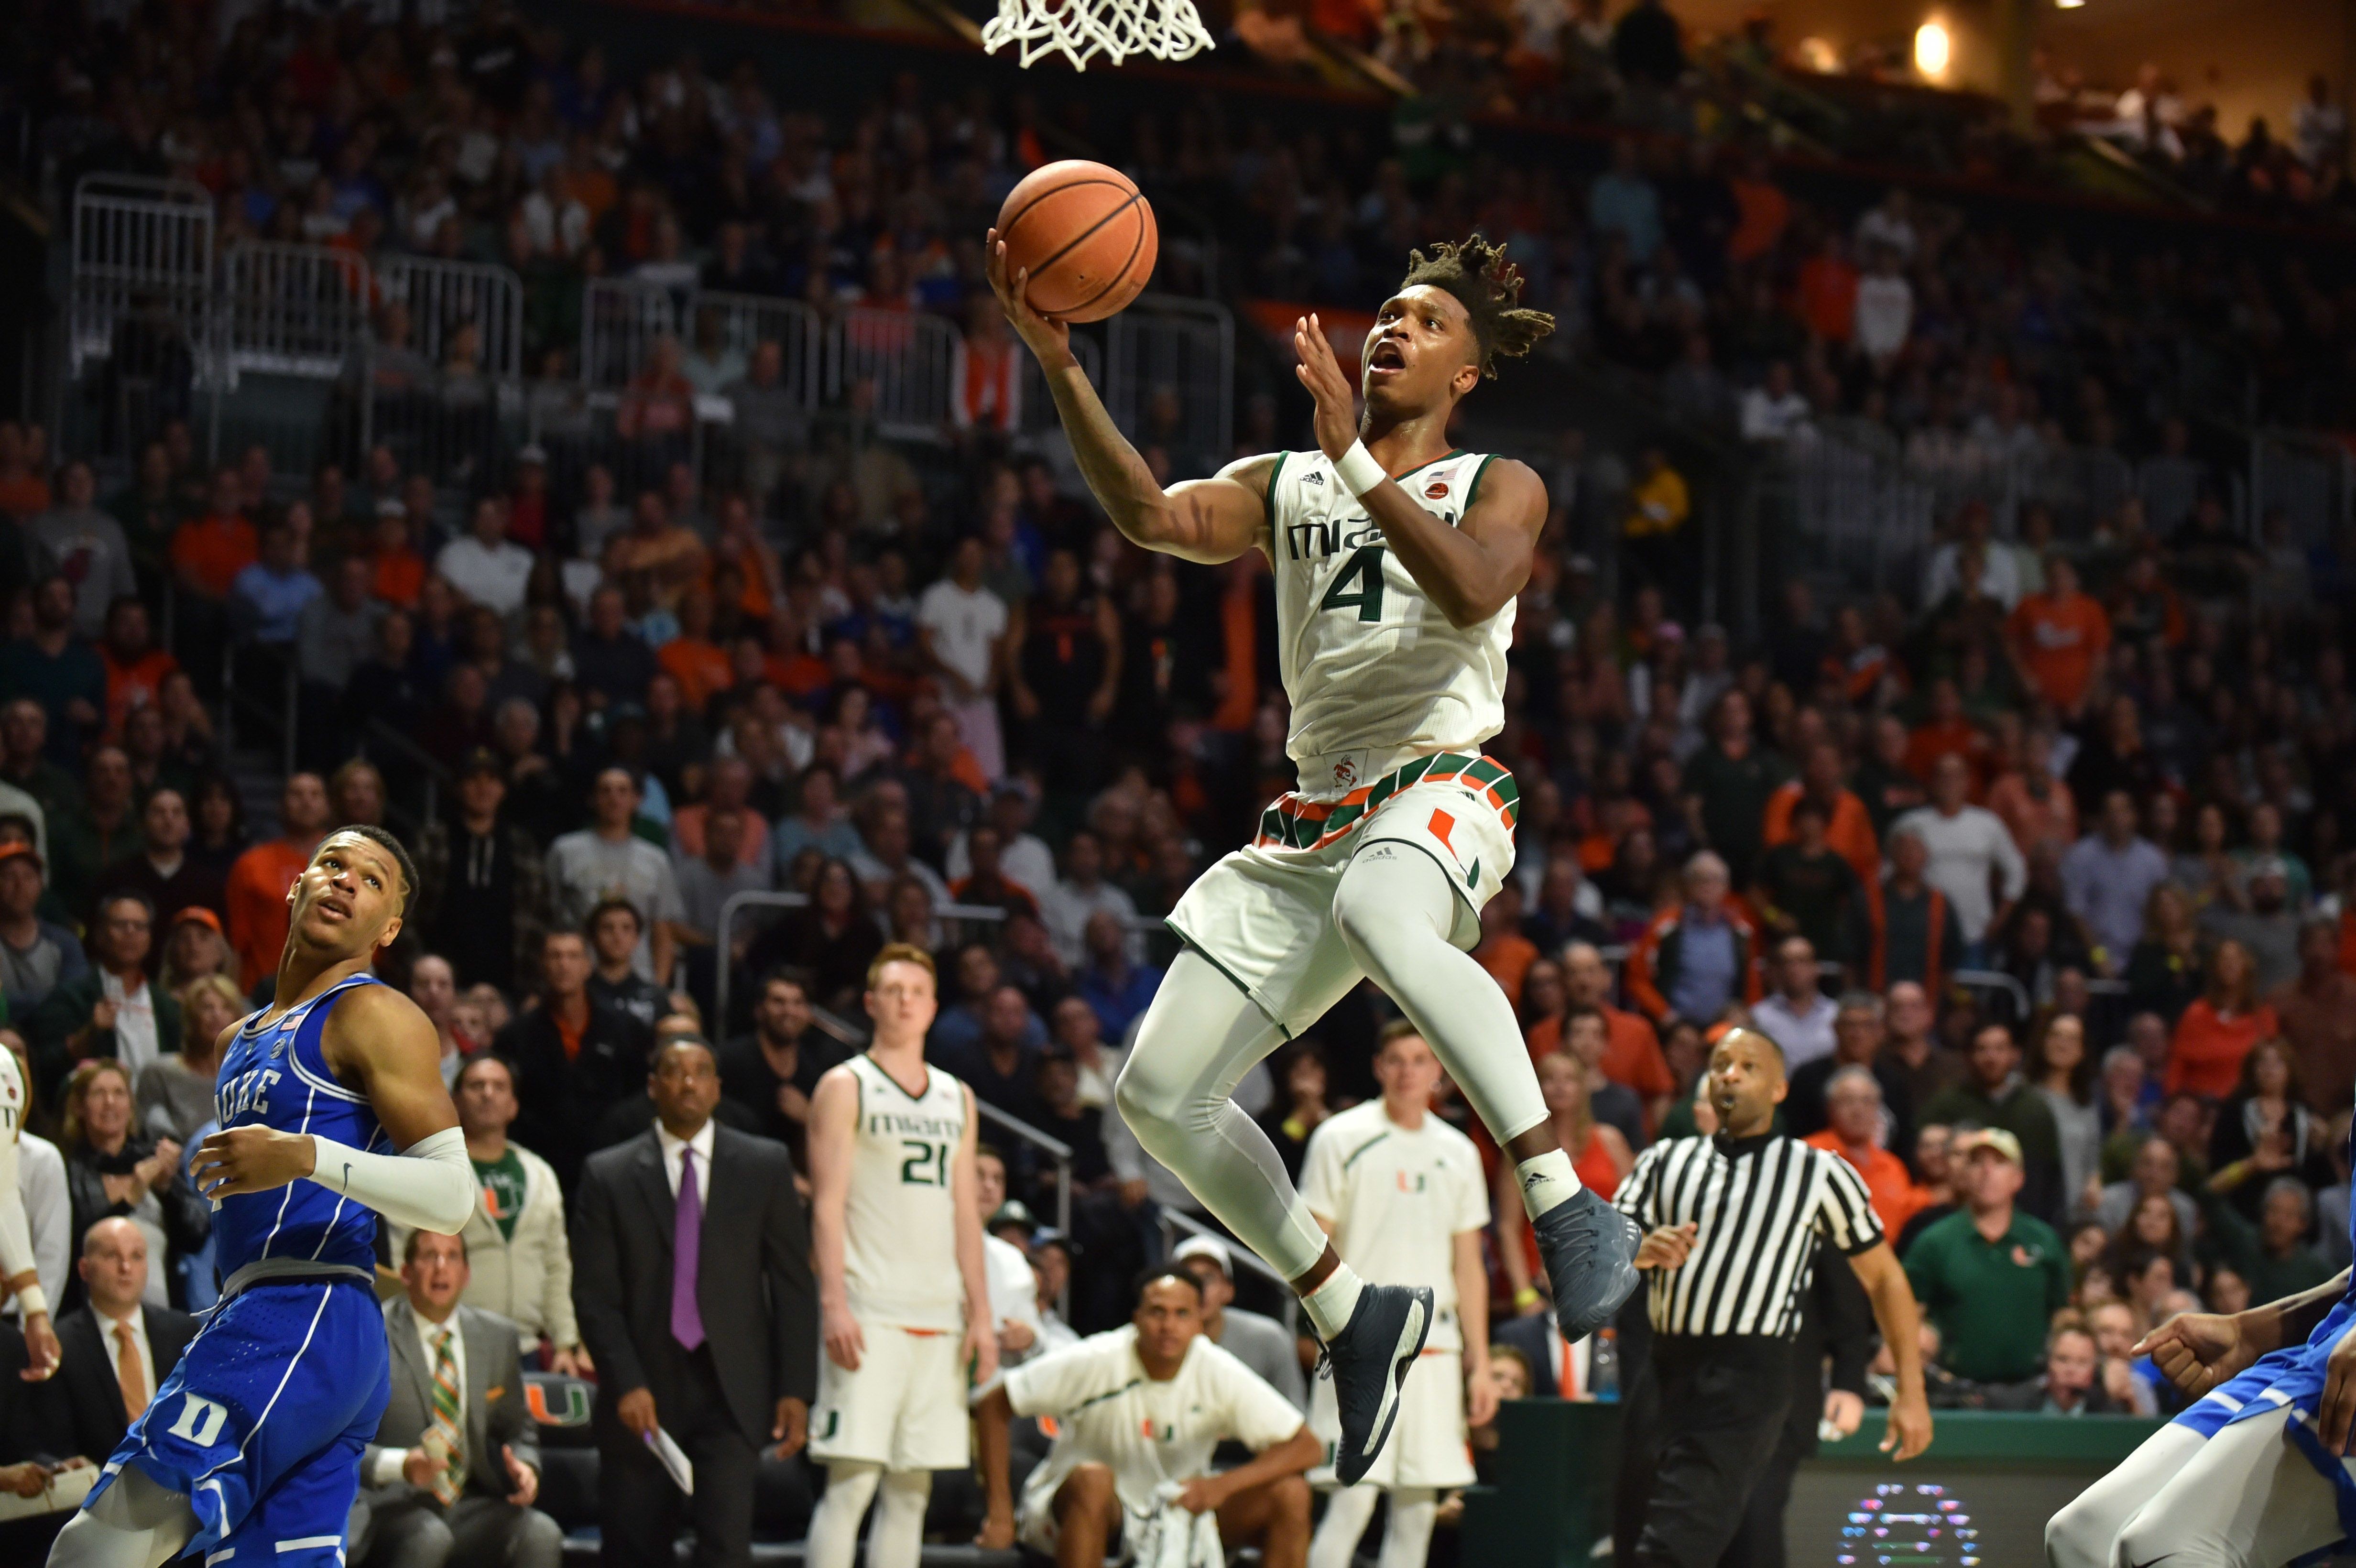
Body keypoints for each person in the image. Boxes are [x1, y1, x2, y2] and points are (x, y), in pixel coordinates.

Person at [994, 228, 1636, 1483]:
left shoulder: (1500, 482)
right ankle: (1353, 1313)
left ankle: (1564, 1198)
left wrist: (1351, 450)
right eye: (1386, 312)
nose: (1391, 329)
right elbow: (1151, 515)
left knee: (1387, 922)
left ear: (1468, 372)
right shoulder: (1289, 480)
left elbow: (1468, 594)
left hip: (1445, 783)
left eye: (1425, 322)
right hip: (1316, 817)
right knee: (1157, 1095)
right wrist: (1062, 368)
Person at [48, 821, 476, 1568]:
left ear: (390, 928)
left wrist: (304, 1155)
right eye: (332, 864)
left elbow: (451, 1197)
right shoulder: (236, 1040)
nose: (346, 880)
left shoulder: (374, 1013)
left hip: (305, 1315)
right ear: (294, 886)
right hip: (265, 1311)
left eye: (372, 880)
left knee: (94, 1552)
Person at [1610, 1028, 1930, 1568]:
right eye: (1719, 1064)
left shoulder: (1818, 1171)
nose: (1729, 1073)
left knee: (1673, 1548)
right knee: (1631, 1537)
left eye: (1747, 1065)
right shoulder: (1663, 1159)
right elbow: (1600, 1249)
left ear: (1780, 1088)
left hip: (1748, 1374)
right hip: (1661, 1368)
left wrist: (1911, 1391)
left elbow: (1884, 1281)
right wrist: (1637, 1247)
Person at [569, 1038, 814, 1568]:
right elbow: (593, 1296)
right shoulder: (607, 1174)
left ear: (718, 1088)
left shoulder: (763, 1163)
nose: (688, 1082)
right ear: (652, 1086)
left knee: (726, 1551)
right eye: (674, 1072)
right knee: (634, 1549)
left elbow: (793, 1284)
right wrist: (626, 1381)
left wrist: (796, 1387)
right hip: (642, 1390)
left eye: (701, 1071)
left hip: (732, 1389)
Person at [801, 946, 996, 1568]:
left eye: (918, 990)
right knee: (852, 1483)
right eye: (893, 989)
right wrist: (834, 1303)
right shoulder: (844, 1085)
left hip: (940, 1313)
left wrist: (983, 1316)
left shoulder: (957, 1097)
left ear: (934, 1008)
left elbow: (966, 1213)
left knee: (914, 1490)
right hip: (869, 1308)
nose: (906, 999)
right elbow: (825, 1207)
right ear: (870, 1003)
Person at [1302, 1023, 1492, 1568]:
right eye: (1396, 1059)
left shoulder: (1458, 1152)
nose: (1408, 1071)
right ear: (1378, 1066)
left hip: (1436, 1350)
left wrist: (1478, 1365)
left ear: (1438, 1072)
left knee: (1416, 1515)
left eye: (1419, 1059)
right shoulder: (1339, 1136)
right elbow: (1313, 1246)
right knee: (1351, 1504)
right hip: (1358, 1347)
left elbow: (1469, 1268)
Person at [974, 1268, 1320, 1568]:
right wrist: (1001, 1516)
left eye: (1182, 1314)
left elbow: (1306, 1447)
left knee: (1292, 1495)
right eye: (1158, 1312)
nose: (1168, 1325)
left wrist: (1221, 1485)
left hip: (1177, 1512)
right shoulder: (1098, 1357)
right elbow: (995, 1403)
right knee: (1093, 1480)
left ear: (1200, 1323)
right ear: (1137, 1317)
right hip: (1092, 1511)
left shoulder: (1216, 1368)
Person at [2046, 1251, 2356, 1567]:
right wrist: (2248, 1332)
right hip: (2326, 1340)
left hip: (2345, 1358)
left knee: (2169, 1548)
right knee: (2082, 1535)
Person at [351, 1229, 558, 1568]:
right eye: (429, 1256)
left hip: (468, 1503)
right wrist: (401, 1465)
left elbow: (518, 1429)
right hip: (389, 1505)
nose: (441, 1266)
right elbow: (339, 1444)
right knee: (429, 1538)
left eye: (452, 1256)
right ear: (406, 1272)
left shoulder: (497, 1337)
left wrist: (525, 1465)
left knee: (540, 1533)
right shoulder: (371, 1333)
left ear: (466, 1274)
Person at [387, 1056, 586, 1377]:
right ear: (456, 1101)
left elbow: (556, 1264)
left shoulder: (540, 1173)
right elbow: (404, 1260)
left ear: (514, 1105)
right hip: (451, 1344)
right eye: (477, 1086)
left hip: (528, 1350)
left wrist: (565, 1342)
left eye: (499, 1087)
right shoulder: (431, 1172)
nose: (488, 1094)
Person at [1901, 1129, 2070, 1393]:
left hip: (2033, 1390)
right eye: (1977, 1162)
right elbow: (1907, 1311)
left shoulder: (2043, 1240)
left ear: (2019, 1179)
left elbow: (2063, 1313)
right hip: (1952, 1390)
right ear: (1965, 1176)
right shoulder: (1935, 1241)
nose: (1987, 1172)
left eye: (2000, 1163)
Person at [493, 929, 655, 1190]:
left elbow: (638, 1097)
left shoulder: (624, 1029)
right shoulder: (516, 1036)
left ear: (587, 966)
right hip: (539, 1169)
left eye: (572, 956)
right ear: (543, 965)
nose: (563, 965)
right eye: (555, 956)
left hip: (612, 1164)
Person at [40, 1220, 196, 1470]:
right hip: (99, 1493)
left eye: (136, 1256)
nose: (126, 1268)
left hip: (182, 1484)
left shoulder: (184, 1333)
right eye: (112, 1256)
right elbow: (58, 1445)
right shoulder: (60, 1343)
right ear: (84, 1268)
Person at [55, 1060, 208, 1313]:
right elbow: (75, 1246)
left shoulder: (154, 1162)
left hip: (163, 1311)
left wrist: (168, 1190)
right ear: (80, 1108)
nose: (110, 1103)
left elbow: (197, 1236)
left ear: (131, 1105)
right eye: (98, 1094)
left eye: (119, 1093)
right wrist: (130, 1199)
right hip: (91, 1311)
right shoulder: (69, 1170)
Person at [410, 751, 547, 996]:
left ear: (503, 789)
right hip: (438, 986)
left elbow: (538, 918)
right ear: (459, 787)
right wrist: (416, 968)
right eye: (474, 779)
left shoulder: (522, 846)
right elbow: (406, 909)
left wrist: (533, 989)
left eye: (492, 780)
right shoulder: (433, 840)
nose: (483, 788)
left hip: (509, 987)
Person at [31, 894, 180, 1096]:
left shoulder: (165, 1005)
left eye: (139, 926)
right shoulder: (72, 997)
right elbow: (44, 1065)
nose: (130, 932)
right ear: (100, 934)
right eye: (120, 925)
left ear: (150, 938)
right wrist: (91, 1032)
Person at [545, 769, 683, 986]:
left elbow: (663, 930)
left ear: (637, 800)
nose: (614, 798)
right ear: (592, 799)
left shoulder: (656, 860)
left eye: (622, 791)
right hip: (578, 980)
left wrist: (659, 988)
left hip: (639, 977)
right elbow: (549, 920)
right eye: (605, 791)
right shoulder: (565, 851)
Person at [220, 773, 331, 990]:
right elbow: (236, 945)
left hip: (328, 993)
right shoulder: (251, 864)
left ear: (328, 806)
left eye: (315, 794)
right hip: (262, 996)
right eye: (297, 794)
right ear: (281, 806)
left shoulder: (348, 865)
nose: (306, 801)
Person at [1168, 1235, 1308, 1408]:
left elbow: (1296, 1416)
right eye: (1189, 1279)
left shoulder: (1269, 1339)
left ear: (1229, 1290)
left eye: (1208, 1278)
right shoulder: (1158, 1340)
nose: (1200, 1288)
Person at [716, 972, 837, 1170]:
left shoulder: (821, 1069)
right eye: (779, 1002)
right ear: (759, 1010)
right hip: (743, 1173)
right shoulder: (730, 1061)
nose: (789, 1011)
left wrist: (808, 1117)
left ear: (809, 1014)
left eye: (798, 1003)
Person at [1, 843, 87, 1020]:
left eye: (29, 876)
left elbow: (76, 1000)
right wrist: (48, 1001)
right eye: (9, 876)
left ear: (41, 884)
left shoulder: (65, 943)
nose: (20, 885)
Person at [1747, 935, 1838, 1071]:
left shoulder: (1835, 1014)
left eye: (1802, 961)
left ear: (1816, 967)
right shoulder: (1759, 1016)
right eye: (1787, 963)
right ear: (1777, 970)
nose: (1794, 969)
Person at [584, 898, 666, 1030]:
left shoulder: (656, 998)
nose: (617, 936)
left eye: (626, 928)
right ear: (593, 937)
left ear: (637, 938)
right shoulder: (577, 997)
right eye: (608, 928)